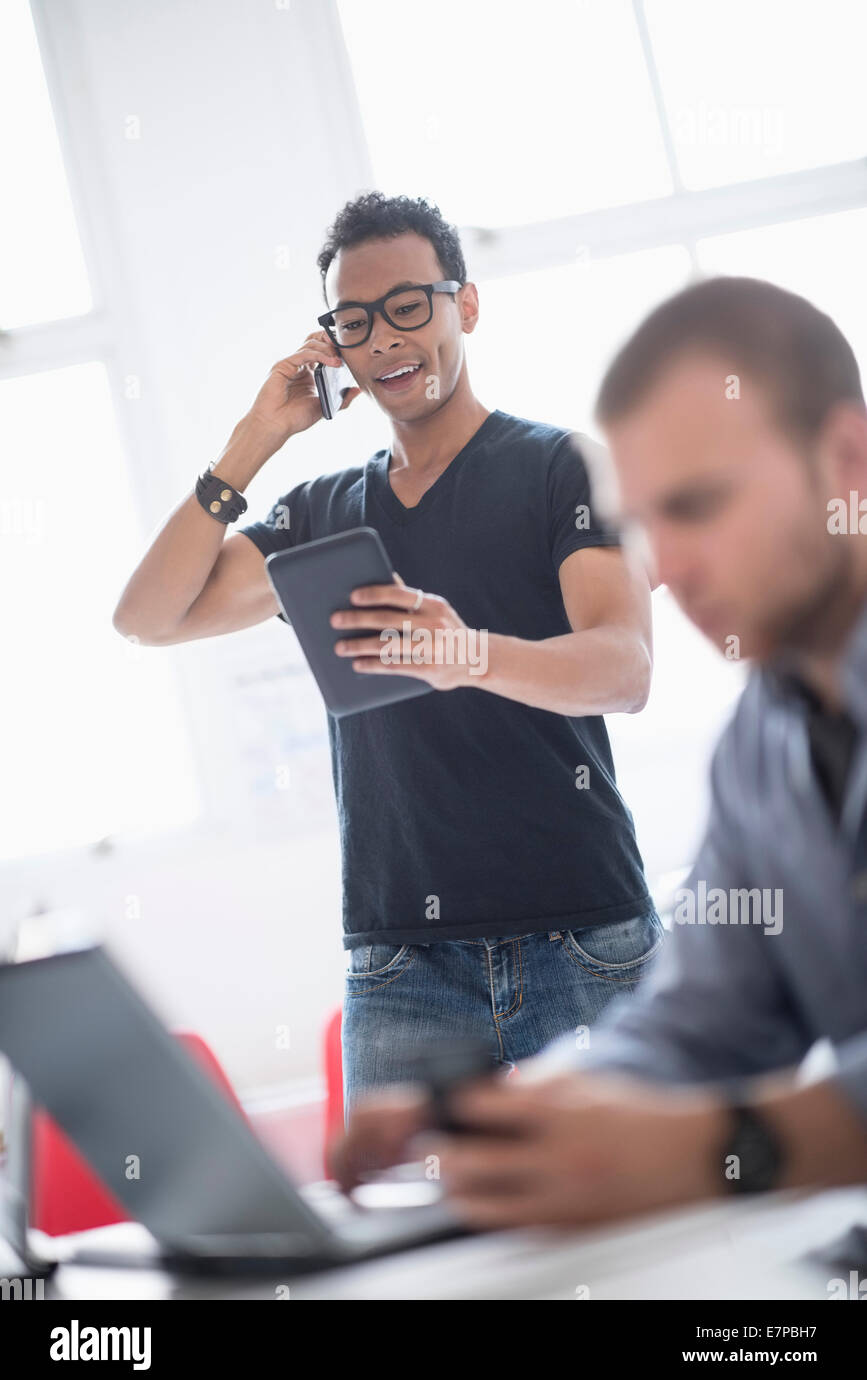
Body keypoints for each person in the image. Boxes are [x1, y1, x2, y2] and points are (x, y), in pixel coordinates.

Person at [331, 276, 867, 1223]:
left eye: (698, 506)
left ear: (848, 463)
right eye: (640, 525)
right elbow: (701, 1020)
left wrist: (725, 1145)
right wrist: (519, 1111)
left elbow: (721, 1114)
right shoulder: (759, 747)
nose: (666, 565)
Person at [113, 193, 659, 1112]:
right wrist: (253, 443)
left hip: (588, 942)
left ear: (465, 306)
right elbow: (149, 617)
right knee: (409, 1242)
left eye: (409, 305)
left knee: (654, 1229)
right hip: (402, 963)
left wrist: (470, 653)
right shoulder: (319, 512)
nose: (385, 339)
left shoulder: (562, 467)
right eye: (354, 320)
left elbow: (624, 668)